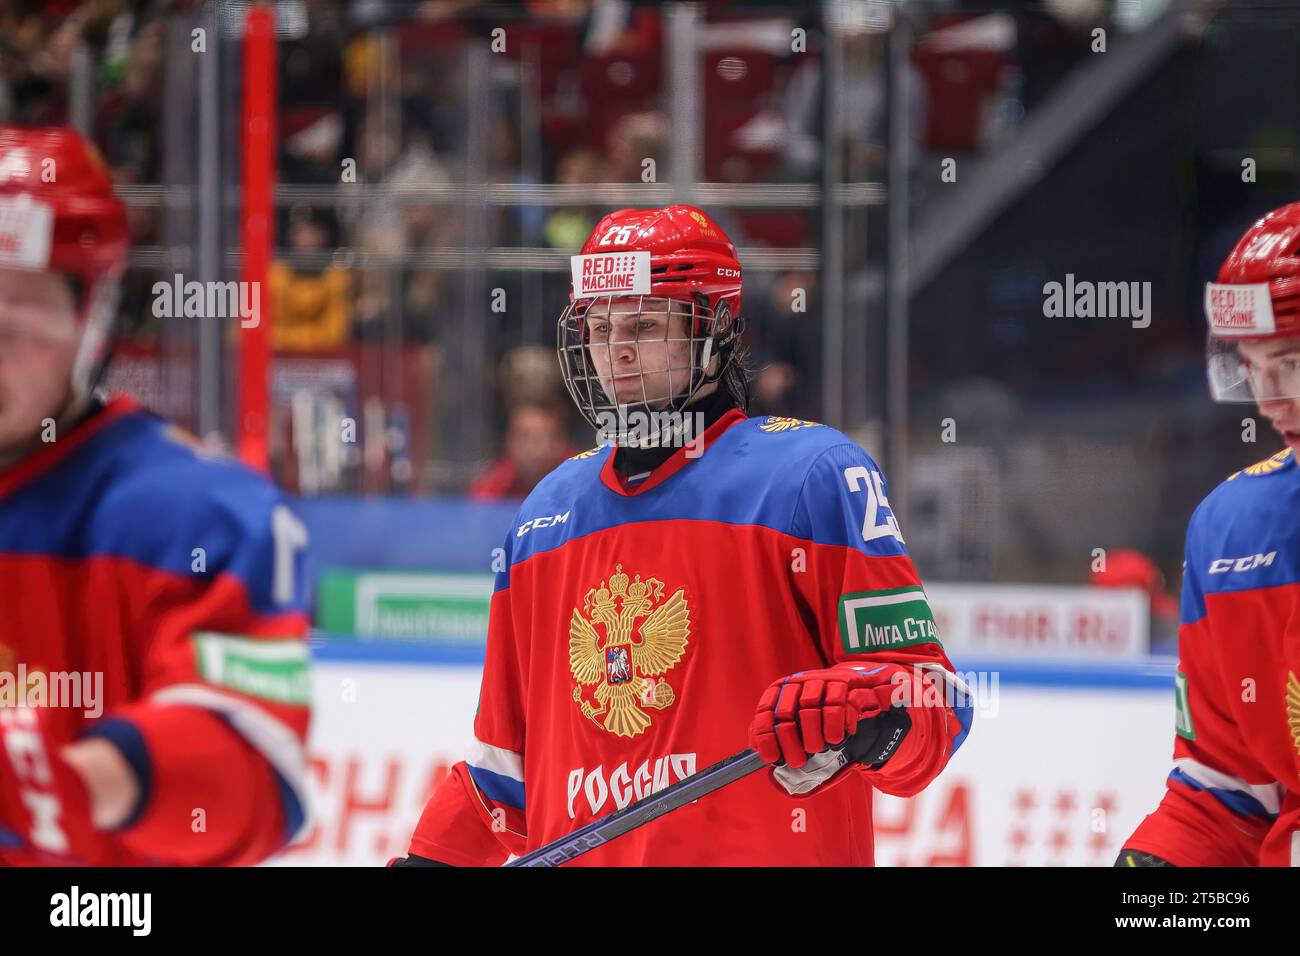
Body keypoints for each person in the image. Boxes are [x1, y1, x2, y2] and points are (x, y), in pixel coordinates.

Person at [397, 204, 971, 866]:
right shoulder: (545, 515)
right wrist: (429, 860)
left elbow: (934, 700)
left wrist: (868, 715)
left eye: (644, 324)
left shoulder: (810, 478)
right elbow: (504, 771)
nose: (617, 351)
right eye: (600, 327)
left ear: (716, 329)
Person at [0, 126, 311, 866]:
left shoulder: (195, 512)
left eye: (11, 323)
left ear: (92, 320)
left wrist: (60, 788)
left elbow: (247, 783)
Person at [1118, 201, 1300, 866]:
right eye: (1252, 365)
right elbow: (1227, 797)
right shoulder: (1232, 532)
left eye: (1290, 361)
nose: (1269, 401)